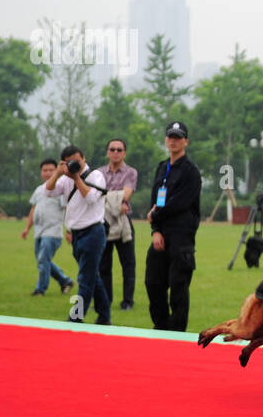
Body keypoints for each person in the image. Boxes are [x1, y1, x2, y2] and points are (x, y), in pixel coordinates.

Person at [45, 145, 112, 324]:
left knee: (85, 278)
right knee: (92, 276)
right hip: (76, 235)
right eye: (69, 161)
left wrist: (76, 177)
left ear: (83, 158)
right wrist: (58, 173)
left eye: (76, 159)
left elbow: (90, 198)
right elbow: (48, 191)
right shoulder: (65, 178)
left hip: (93, 233)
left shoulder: (96, 175)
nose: (74, 164)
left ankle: (76, 317)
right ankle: (104, 317)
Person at [145, 121, 202, 332]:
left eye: (178, 137)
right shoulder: (162, 167)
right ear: (166, 140)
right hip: (161, 235)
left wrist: (156, 214)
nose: (174, 141)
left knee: (178, 287)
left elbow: (181, 202)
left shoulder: (191, 171)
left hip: (181, 236)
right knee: (153, 283)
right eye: (171, 137)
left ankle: (176, 333)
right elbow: (155, 199)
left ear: (185, 141)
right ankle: (161, 326)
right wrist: (156, 229)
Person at [22, 158, 74, 297]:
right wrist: (27, 228)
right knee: (43, 260)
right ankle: (65, 281)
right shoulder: (39, 190)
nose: (48, 173)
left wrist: (69, 230)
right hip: (39, 231)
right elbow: (34, 208)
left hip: (53, 232)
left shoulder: (60, 188)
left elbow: (67, 209)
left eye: (51, 170)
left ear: (57, 170)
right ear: (41, 172)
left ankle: (40, 289)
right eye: (45, 170)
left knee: (43, 260)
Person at [98, 138, 139, 311]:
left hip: (124, 223)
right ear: (107, 152)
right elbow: (95, 196)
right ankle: (105, 299)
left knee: (128, 264)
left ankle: (128, 301)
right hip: (103, 221)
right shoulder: (98, 173)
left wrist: (108, 197)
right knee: (104, 265)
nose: (115, 152)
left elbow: (126, 196)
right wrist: (116, 201)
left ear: (124, 153)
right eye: (112, 149)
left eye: (119, 149)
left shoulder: (131, 172)